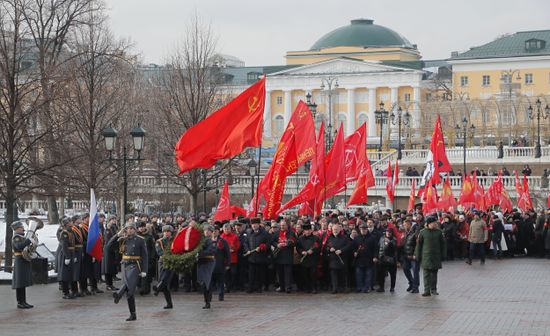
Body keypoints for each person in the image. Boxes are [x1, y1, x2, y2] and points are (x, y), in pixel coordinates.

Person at [112, 222, 148, 321]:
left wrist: (145, 270)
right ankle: (133, 314)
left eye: (132, 228)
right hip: (125, 264)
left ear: (135, 229)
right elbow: (108, 246)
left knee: (129, 285)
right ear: (125, 230)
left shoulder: (140, 240)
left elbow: (145, 256)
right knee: (130, 292)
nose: (130, 230)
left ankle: (119, 294)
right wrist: (118, 235)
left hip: (135, 265)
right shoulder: (123, 239)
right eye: (128, 228)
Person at [415, 216, 446, 297]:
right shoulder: (422, 232)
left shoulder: (439, 232)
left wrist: (443, 255)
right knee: (426, 274)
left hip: (436, 255)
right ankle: (426, 290)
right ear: (428, 224)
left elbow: (443, 244)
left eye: (435, 222)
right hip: (426, 256)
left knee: (434, 274)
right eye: (433, 223)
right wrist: (417, 255)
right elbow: (419, 245)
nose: (435, 224)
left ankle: (433, 289)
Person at [11, 221, 34, 309]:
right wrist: (28, 240)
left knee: (23, 282)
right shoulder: (16, 237)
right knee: (20, 282)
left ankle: (23, 301)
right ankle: (20, 302)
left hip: (24, 259)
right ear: (17, 229)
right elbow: (19, 246)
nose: (22, 228)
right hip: (20, 260)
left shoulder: (22, 236)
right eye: (21, 227)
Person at [245, 217, 271, 293]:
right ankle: (250, 287)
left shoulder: (265, 233)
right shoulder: (249, 232)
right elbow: (245, 243)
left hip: (261, 257)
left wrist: (262, 247)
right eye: (252, 224)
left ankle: (259, 287)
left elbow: (268, 243)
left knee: (260, 273)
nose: (254, 225)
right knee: (251, 274)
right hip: (251, 257)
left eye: (255, 224)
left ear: (259, 224)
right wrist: (247, 250)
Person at [324, 223, 351, 294]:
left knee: (342, 275)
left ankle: (343, 287)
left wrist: (341, 250)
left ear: (339, 230)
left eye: (336, 229)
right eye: (334, 229)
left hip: (342, 259)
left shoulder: (344, 237)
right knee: (333, 275)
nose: (335, 231)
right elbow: (326, 247)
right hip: (333, 260)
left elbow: (348, 246)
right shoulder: (329, 237)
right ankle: (334, 288)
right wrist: (329, 249)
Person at [153, 225, 175, 309]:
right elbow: (159, 252)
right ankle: (169, 303)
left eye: (168, 231)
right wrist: (168, 256)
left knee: (165, 279)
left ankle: (158, 289)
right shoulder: (159, 241)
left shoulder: (174, 241)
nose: (166, 233)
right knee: (165, 284)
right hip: (162, 262)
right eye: (165, 231)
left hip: (171, 262)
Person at [272, 219, 296, 293]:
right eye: (281, 225)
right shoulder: (276, 233)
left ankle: (288, 287)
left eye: (283, 225)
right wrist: (277, 245)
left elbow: (294, 242)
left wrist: (287, 244)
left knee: (287, 273)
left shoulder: (291, 232)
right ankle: (282, 287)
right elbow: (272, 241)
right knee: (280, 273)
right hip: (279, 255)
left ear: (287, 225)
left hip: (288, 255)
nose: (282, 227)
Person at [352, 222, 377, 293]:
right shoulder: (356, 238)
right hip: (359, 259)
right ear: (359, 229)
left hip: (369, 259)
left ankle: (366, 288)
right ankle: (359, 287)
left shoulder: (372, 238)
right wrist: (354, 252)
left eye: (365, 229)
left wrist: (375, 256)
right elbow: (353, 247)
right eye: (362, 229)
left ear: (367, 229)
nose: (363, 230)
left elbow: (375, 248)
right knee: (358, 275)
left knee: (368, 275)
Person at [197, 224, 217, 309]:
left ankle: (207, 302)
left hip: (209, 262)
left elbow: (210, 251)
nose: (206, 232)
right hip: (201, 262)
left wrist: (199, 253)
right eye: (205, 230)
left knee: (206, 282)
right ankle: (207, 299)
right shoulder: (201, 241)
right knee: (202, 282)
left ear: (212, 232)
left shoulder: (212, 241)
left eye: (208, 230)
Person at [296, 223, 321, 293]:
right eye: (306, 230)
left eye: (308, 230)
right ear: (303, 231)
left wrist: (312, 250)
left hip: (313, 259)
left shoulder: (316, 238)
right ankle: (307, 288)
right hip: (304, 259)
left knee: (313, 274)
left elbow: (319, 247)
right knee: (305, 274)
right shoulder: (300, 238)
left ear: (311, 230)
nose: (307, 231)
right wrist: (302, 252)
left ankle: (314, 288)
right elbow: (298, 247)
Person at [57, 218, 76, 299]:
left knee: (70, 273)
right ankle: (65, 293)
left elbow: (73, 244)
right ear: (67, 224)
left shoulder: (71, 231)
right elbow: (64, 246)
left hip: (71, 253)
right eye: (70, 222)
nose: (72, 223)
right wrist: (67, 257)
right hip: (65, 254)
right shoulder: (64, 233)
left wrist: (73, 255)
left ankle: (71, 291)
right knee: (65, 274)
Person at [211, 225, 230, 301]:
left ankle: (221, 295)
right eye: (213, 230)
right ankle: (209, 296)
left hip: (220, 264)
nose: (214, 232)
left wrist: (228, 264)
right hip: (210, 265)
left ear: (219, 232)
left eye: (216, 230)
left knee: (220, 281)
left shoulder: (223, 241)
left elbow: (227, 253)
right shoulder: (208, 240)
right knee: (210, 282)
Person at [220, 223, 241, 292]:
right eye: (225, 229)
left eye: (228, 229)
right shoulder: (221, 236)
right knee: (225, 274)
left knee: (233, 273)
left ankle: (232, 285)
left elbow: (238, 245)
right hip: (225, 259)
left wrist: (233, 249)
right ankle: (227, 287)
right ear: (223, 229)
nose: (226, 230)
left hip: (233, 258)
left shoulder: (235, 236)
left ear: (230, 229)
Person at [402, 219, 420, 294]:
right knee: (405, 269)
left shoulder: (415, 232)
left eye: (405, 225)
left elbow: (418, 244)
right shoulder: (406, 232)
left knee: (415, 271)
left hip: (413, 256)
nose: (404, 226)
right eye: (404, 225)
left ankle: (416, 287)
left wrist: (415, 254)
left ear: (409, 225)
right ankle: (411, 283)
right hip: (406, 255)